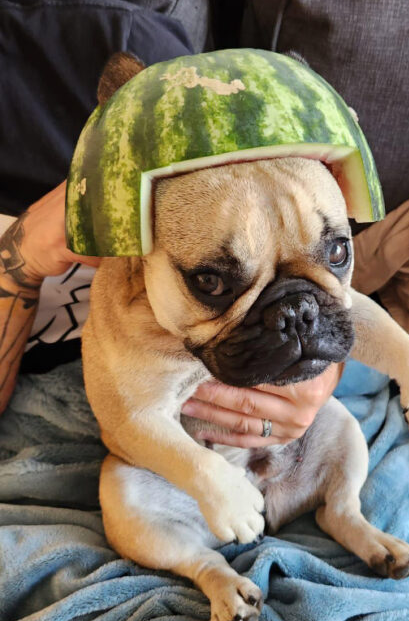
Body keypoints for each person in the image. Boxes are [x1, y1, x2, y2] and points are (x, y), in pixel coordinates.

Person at [0, 181, 342, 444]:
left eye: (337, 254)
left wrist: (325, 364)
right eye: (213, 282)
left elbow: (320, 273)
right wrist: (21, 257)